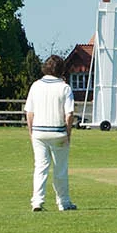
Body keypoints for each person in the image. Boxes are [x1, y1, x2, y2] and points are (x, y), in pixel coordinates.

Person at [23, 55, 78, 211]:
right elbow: (69, 114)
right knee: (60, 169)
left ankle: (37, 202)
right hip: (58, 132)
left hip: (39, 132)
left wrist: (31, 132)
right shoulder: (64, 88)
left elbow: (29, 113)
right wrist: (68, 134)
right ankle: (64, 202)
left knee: (40, 167)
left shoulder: (36, 86)